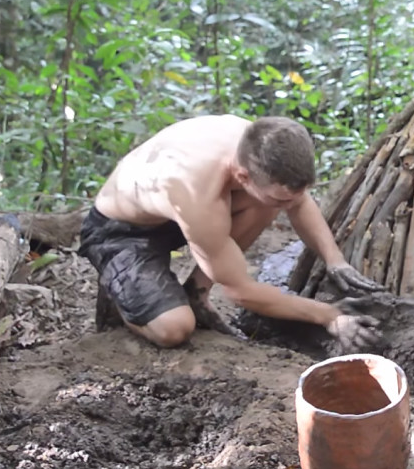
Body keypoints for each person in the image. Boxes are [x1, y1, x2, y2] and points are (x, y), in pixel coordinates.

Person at [79, 114, 386, 350]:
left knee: (266, 203)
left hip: (171, 214)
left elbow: (298, 200)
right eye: (283, 198)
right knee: (174, 328)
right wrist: (328, 315)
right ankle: (125, 300)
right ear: (243, 176)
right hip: (121, 232)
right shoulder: (197, 194)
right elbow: (240, 291)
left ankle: (196, 294)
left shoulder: (261, 146)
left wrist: (335, 261)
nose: (290, 206)